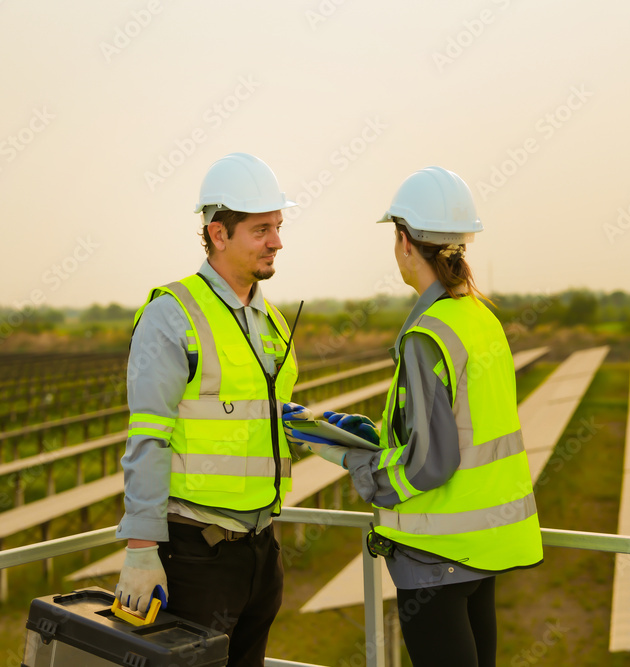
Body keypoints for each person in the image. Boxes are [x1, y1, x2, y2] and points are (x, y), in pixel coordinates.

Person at [285, 166, 543, 667]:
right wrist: (369, 434)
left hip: (435, 556)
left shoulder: (428, 334)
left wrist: (363, 469)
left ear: (404, 241)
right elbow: (462, 429)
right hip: (482, 552)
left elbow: (431, 464)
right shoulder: (478, 318)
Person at [115, 152, 300, 667]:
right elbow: (148, 438)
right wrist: (140, 550)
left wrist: (327, 433)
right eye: (262, 229)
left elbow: (267, 418)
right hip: (197, 553)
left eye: (279, 227)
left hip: (262, 548)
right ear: (219, 234)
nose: (277, 241)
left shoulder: (272, 321)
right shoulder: (171, 315)